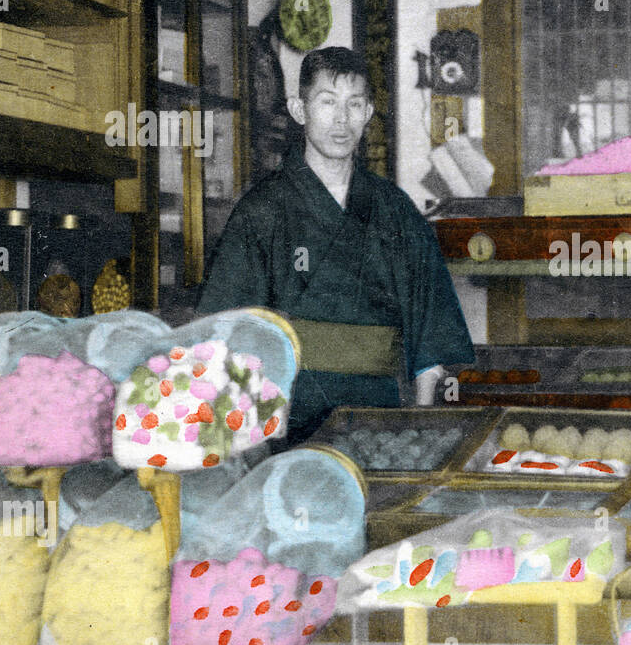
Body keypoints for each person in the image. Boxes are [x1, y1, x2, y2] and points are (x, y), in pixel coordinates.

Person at [196, 46, 474, 441]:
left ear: (368, 113)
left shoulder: (394, 209)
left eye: (354, 104)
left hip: (379, 413)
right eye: (327, 102)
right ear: (298, 109)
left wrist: (418, 423)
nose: (341, 120)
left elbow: (431, 326)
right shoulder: (262, 210)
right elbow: (224, 329)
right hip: (286, 414)